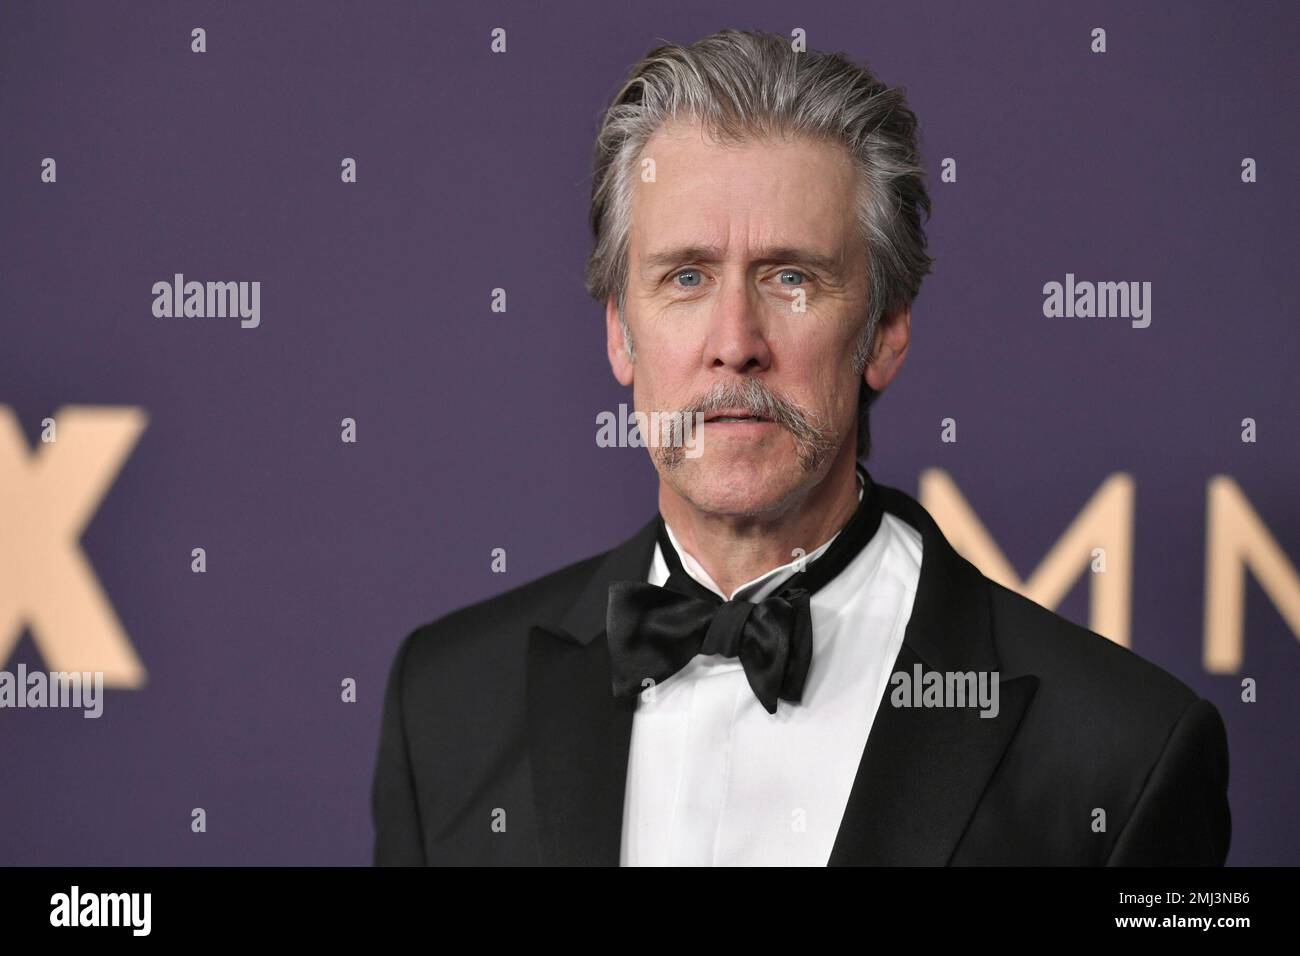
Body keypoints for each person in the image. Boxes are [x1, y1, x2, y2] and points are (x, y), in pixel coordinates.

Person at [371, 28, 1230, 866]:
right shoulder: (445, 704)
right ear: (620, 336)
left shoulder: (1121, 755)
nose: (735, 341)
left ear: (886, 331)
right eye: (685, 277)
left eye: (792, 278)